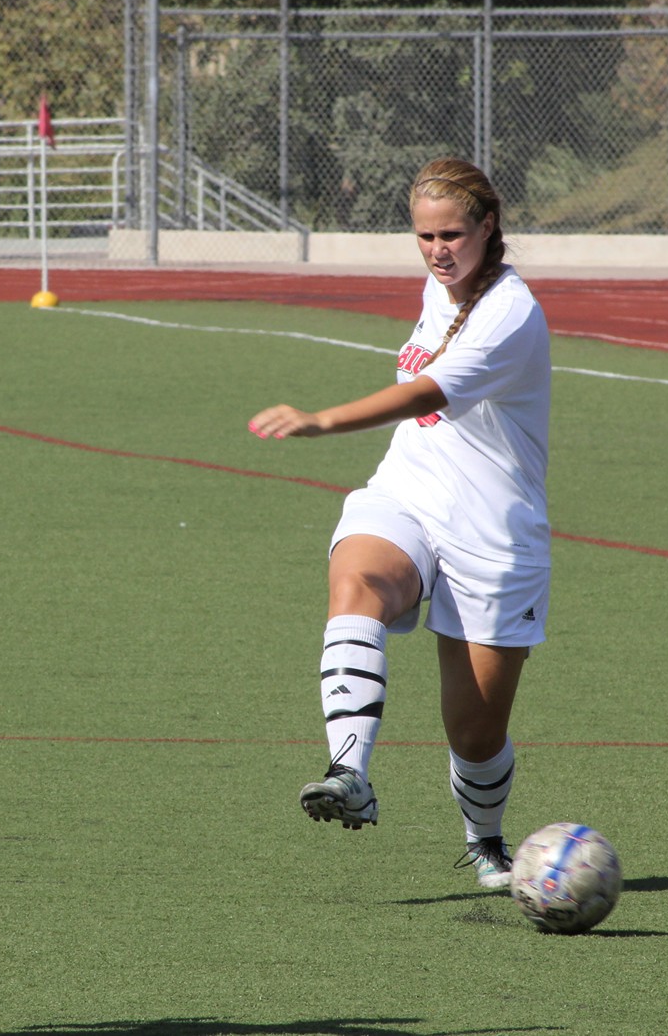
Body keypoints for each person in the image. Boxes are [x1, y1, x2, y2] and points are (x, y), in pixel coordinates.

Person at [247, 157, 550, 888]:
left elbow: (426, 392)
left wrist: (322, 419)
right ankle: (349, 771)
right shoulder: (439, 287)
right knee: (356, 583)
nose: (438, 250)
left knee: (475, 733)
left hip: (492, 531)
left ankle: (485, 842)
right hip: (408, 492)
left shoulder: (509, 313)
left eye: (452, 234)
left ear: (488, 226)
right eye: (424, 236)